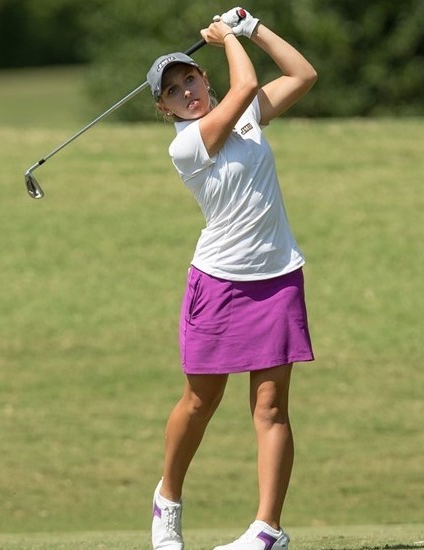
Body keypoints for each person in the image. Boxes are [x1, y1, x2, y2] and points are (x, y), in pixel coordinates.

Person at [146, 7, 318, 550]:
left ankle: (267, 530)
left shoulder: (243, 117)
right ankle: (167, 498)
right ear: (164, 109)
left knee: (271, 409)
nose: (187, 92)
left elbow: (303, 75)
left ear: (203, 79)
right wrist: (226, 38)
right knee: (200, 401)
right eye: (174, 91)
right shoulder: (188, 144)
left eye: (190, 79)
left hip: (277, 278)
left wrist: (254, 28)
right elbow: (245, 83)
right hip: (219, 283)